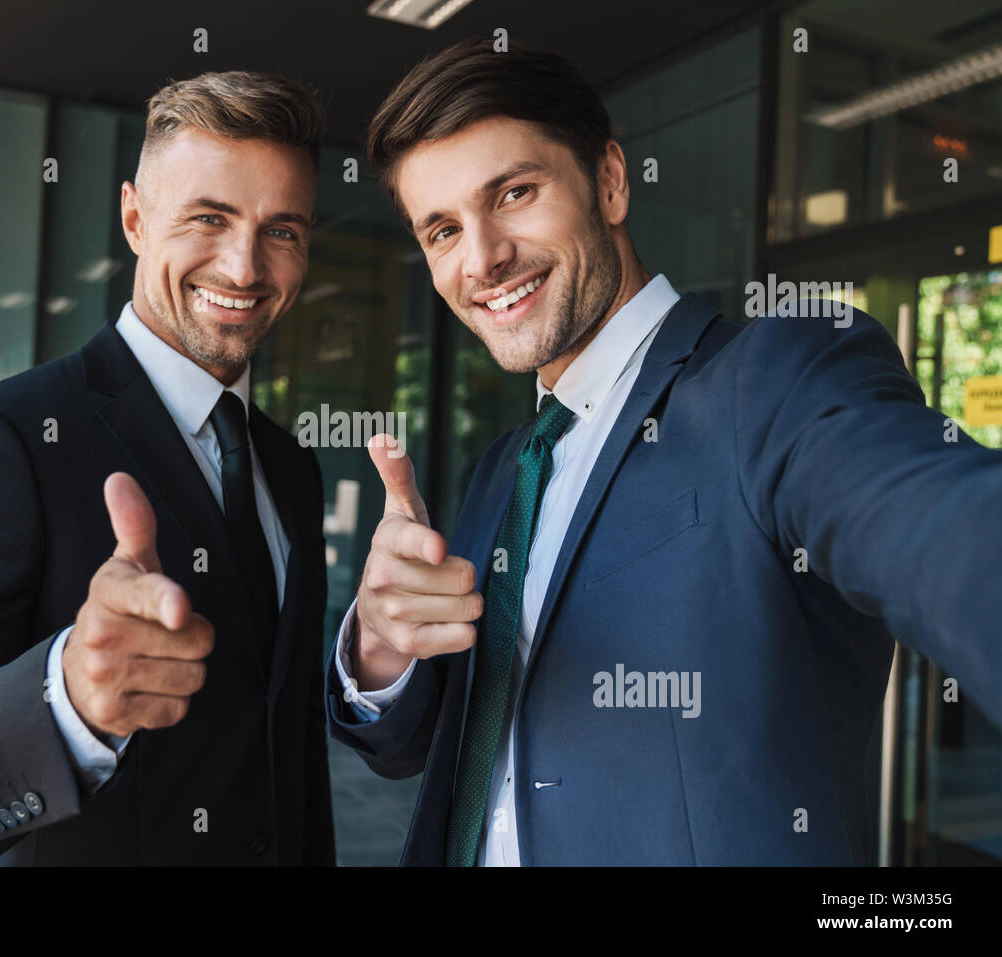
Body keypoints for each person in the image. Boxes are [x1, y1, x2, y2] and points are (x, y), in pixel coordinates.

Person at [327, 36, 1002, 866]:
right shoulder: (503, 469)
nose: (483, 256)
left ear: (610, 182)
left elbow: (948, 528)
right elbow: (410, 747)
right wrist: (382, 647)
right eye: (441, 231)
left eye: (515, 192)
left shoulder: (772, 382)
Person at [0, 70, 335, 865]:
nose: (244, 268)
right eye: (209, 217)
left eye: (282, 230)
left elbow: (288, 745)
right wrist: (65, 701)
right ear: (135, 216)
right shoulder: (3, 438)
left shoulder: (290, 467)